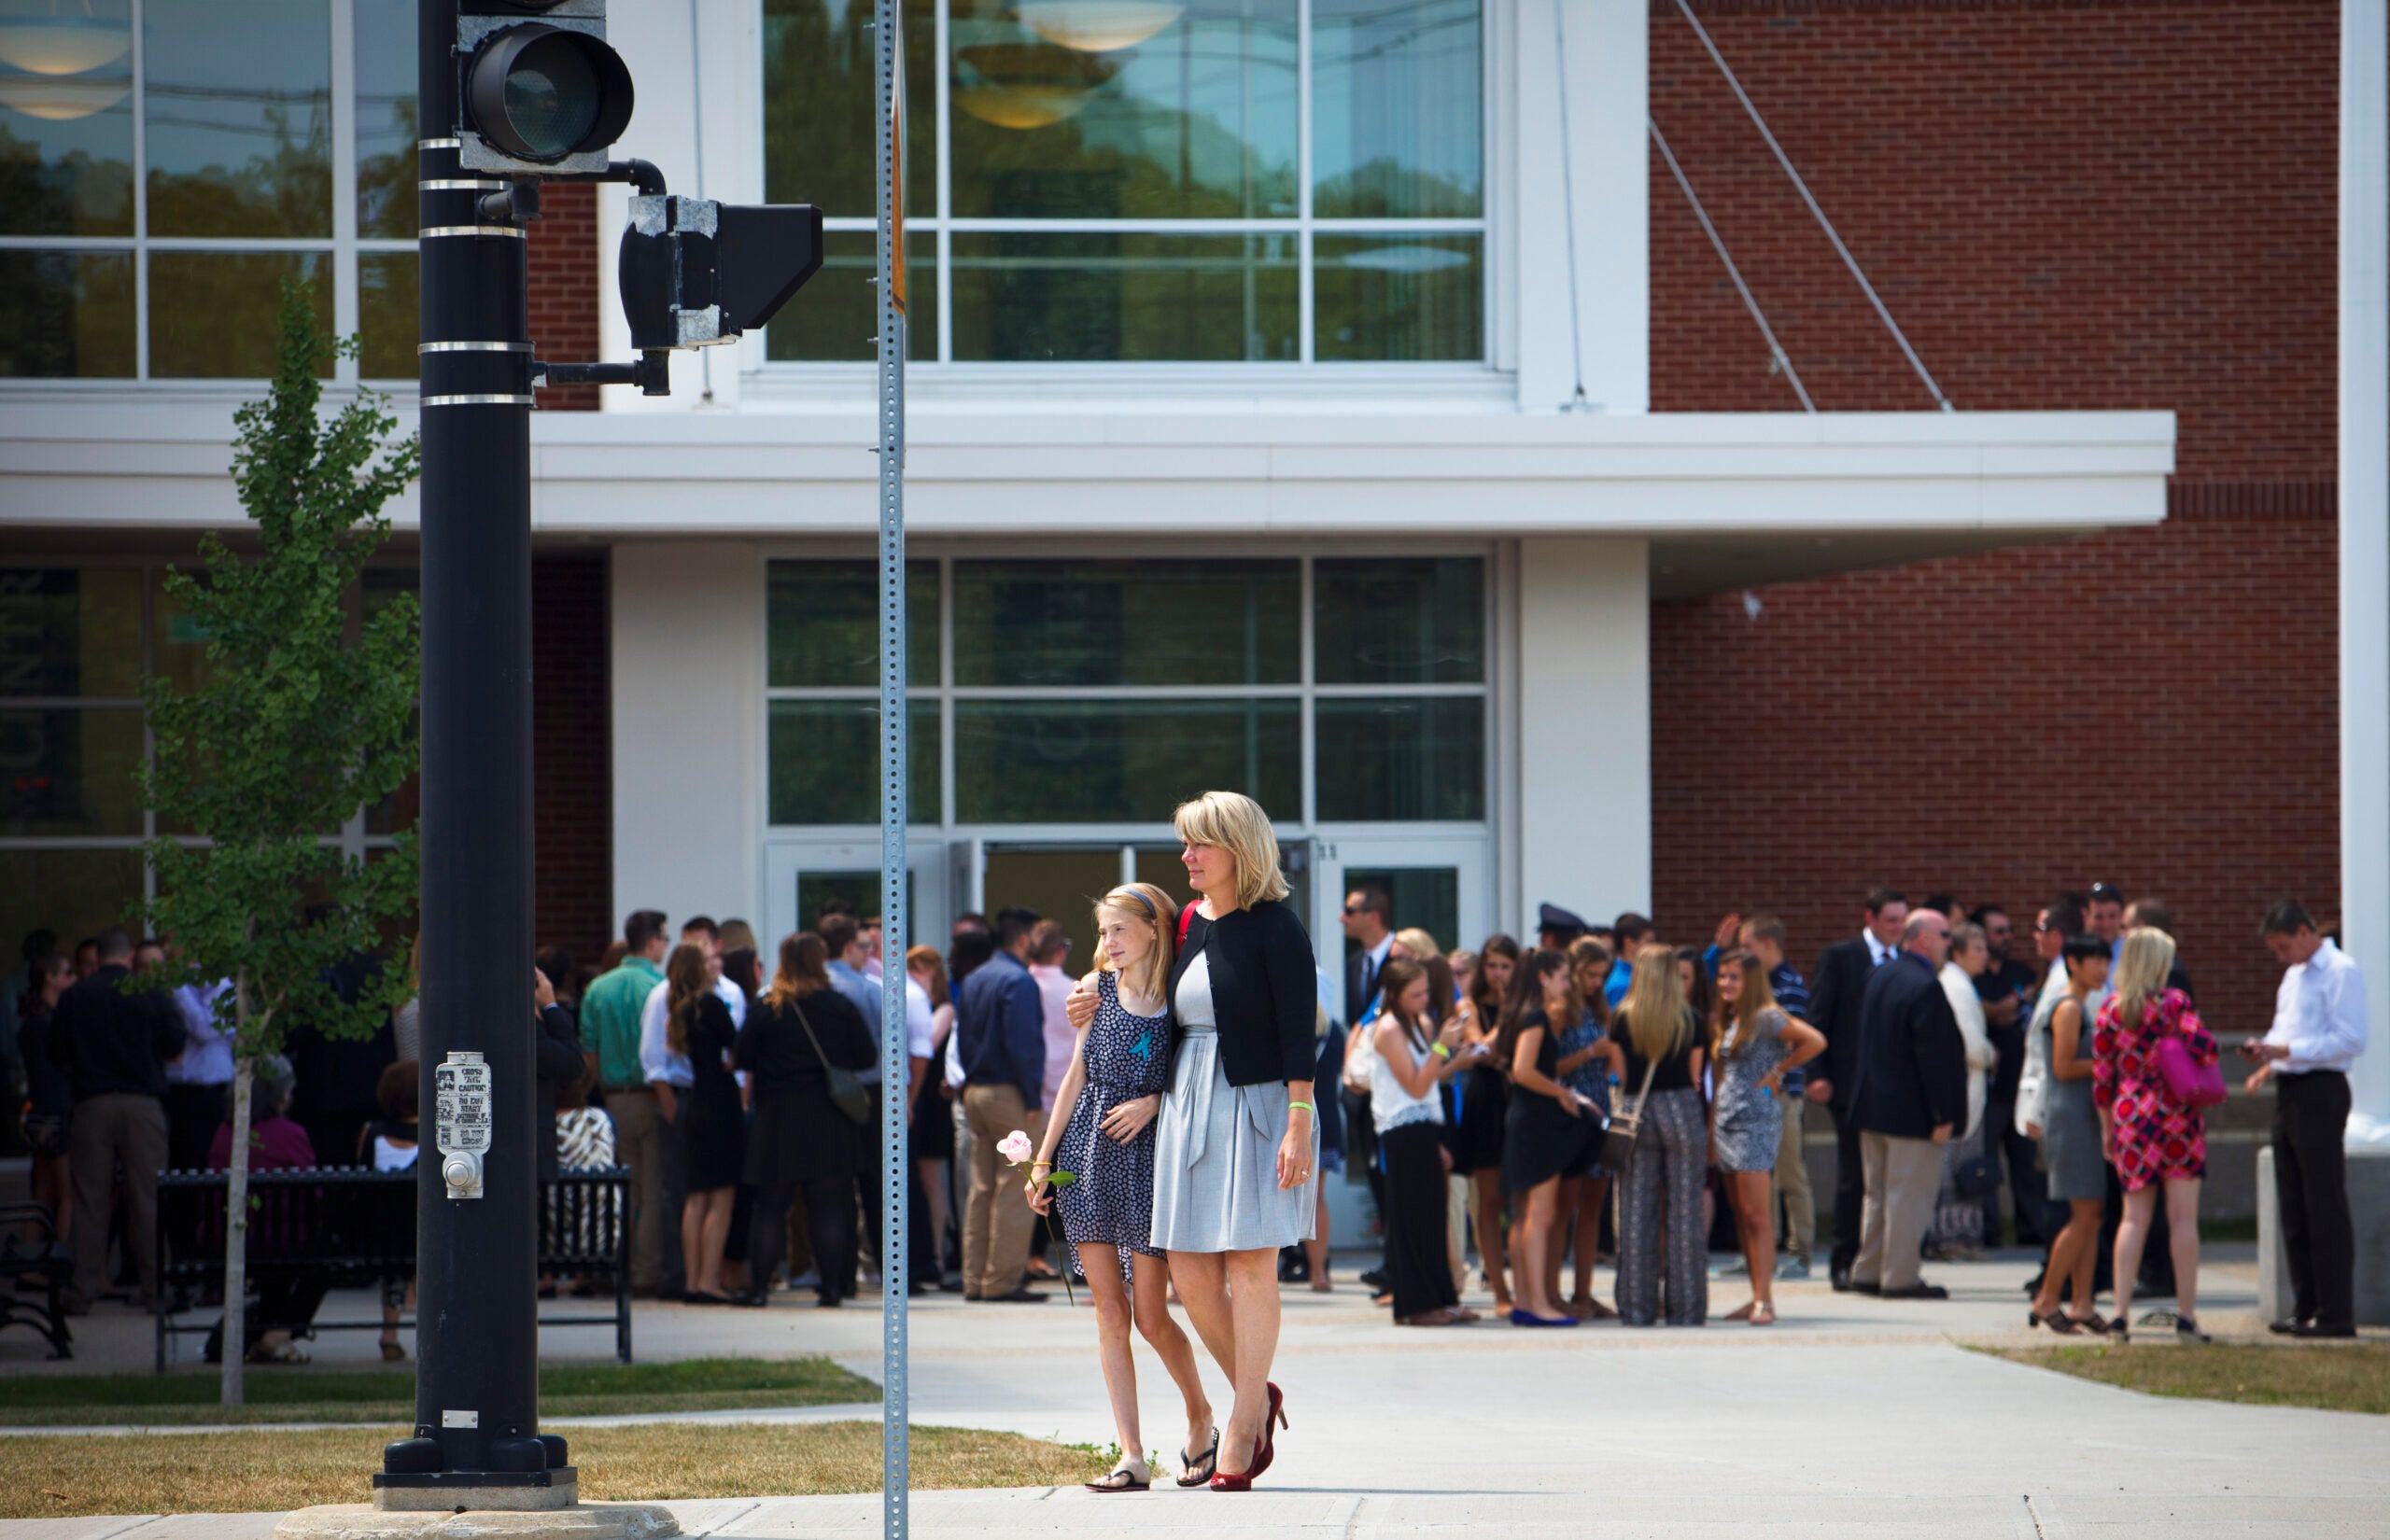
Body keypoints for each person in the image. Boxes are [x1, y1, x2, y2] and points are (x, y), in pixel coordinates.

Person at [1101, 791, 1316, 1491]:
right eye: (1185, 843)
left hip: (1256, 1103)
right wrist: (1089, 992)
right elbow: (1131, 964)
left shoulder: (1278, 928)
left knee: (1251, 1264)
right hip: (1186, 1101)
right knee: (1191, 1275)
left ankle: (1244, 1425)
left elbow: (1297, 1034)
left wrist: (1298, 1121)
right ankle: (1256, 1393)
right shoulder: (1188, 920)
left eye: (1200, 844)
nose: (1186, 857)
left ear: (1239, 850)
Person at [1025, 883, 1216, 1491]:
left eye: (1117, 931)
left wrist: (1154, 1102)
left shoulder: (1181, 1000)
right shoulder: (1094, 990)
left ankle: (1201, 1417)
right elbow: (1075, 1076)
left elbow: (1197, 1077)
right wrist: (1042, 1159)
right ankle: (1131, 1455)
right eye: (1102, 932)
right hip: (1087, 1159)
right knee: (1109, 1311)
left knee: (1152, 1316)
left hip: (1148, 1166)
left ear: (1153, 929)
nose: (1107, 943)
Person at [2243, 900, 2365, 1338]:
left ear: (2302, 932)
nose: (2281, 957)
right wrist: (2266, 1060)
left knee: (2323, 1201)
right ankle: (2305, 1303)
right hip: (2291, 1089)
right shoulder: (2293, 977)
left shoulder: (2340, 970)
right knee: (2293, 1202)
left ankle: (2336, 1311)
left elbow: (2350, 1038)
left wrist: (2289, 1052)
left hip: (2323, 1091)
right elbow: (2284, 1031)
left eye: (2282, 946)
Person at [738, 931, 877, 1309]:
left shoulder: (768, 1006)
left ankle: (759, 1289)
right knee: (829, 1206)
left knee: (770, 1207)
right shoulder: (838, 1005)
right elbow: (866, 1056)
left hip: (777, 1118)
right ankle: (832, 1289)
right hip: (827, 1118)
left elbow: (741, 1056)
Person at [49, 927, 182, 1313]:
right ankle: (154, 1288)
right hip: (143, 1104)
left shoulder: (76, 997)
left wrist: (82, 1074)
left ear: (99, 956)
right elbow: (175, 1042)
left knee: (90, 1201)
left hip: (92, 1103)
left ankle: (82, 1289)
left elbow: (57, 1049)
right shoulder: (150, 994)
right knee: (149, 1199)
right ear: (128, 958)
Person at [2093, 926, 2215, 1342]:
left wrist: (2107, 1129)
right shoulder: (2174, 1004)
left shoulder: (2111, 1010)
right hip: (2178, 1115)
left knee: (2133, 1218)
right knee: (2182, 1218)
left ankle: (2120, 1315)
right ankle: (2185, 1315)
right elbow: (2205, 1047)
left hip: (2131, 1116)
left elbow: (2101, 1080)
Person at [1847, 909, 1964, 1301]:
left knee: (1877, 1194)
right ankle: (1899, 1278)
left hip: (1873, 1109)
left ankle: (1867, 1271)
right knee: (1907, 1197)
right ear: (1925, 939)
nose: (1951, 942)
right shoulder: (1924, 985)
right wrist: (1943, 1114)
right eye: (1946, 935)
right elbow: (1936, 1059)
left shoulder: (1881, 975)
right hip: (1912, 1115)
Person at [1709, 950, 1824, 1325]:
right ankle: (1754, 1294)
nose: (1725, 983)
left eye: (1734, 978)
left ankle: (1766, 1300)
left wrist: (1778, 1072)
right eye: (1723, 976)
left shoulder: (1766, 1016)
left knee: (1758, 1214)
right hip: (1727, 1118)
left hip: (1755, 1119)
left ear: (1751, 982)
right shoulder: (1731, 1017)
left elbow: (1813, 1040)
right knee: (1742, 1214)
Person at [1365, 958, 1474, 1327]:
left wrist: (1452, 1060)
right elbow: (1413, 1083)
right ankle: (1414, 1306)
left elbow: (1426, 1083)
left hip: (1423, 1127)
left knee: (1433, 1217)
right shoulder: (1388, 1030)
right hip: (1400, 1132)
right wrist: (1443, 1049)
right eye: (1416, 994)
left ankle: (1442, 1297)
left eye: (1426, 991)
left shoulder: (1419, 1023)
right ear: (1395, 995)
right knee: (1410, 1219)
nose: (1424, 999)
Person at [1809, 886, 1909, 1291]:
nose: (1897, 929)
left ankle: (1884, 1259)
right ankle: (1843, 1259)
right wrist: (1816, 1073)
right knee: (1853, 1175)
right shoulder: (1841, 958)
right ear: (1869, 919)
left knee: (1890, 1178)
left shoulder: (1906, 961)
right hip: (1849, 1087)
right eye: (1890, 921)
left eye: (1903, 921)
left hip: (1894, 1089)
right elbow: (1819, 1015)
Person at [204, 1056, 327, 1365]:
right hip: (285, 1244)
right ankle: (276, 1335)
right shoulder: (290, 1134)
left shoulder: (224, 1135)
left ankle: (265, 1333)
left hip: (228, 1241)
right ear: (278, 1095)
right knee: (328, 1257)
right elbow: (316, 1194)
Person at [957, 906, 1049, 1303]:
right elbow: (1023, 1044)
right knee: (1016, 1188)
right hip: (1009, 1092)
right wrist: (1032, 1097)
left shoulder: (975, 976)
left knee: (981, 1189)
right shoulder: (1018, 980)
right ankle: (1002, 1282)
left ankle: (974, 1279)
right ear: (1024, 939)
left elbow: (962, 1038)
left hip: (975, 1090)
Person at [579, 910, 672, 1296]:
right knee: (652, 1190)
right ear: (651, 942)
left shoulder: (598, 988)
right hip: (652, 1097)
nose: (666, 947)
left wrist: (606, 1085)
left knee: (623, 1189)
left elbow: (589, 1051)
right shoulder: (661, 985)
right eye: (664, 939)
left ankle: (617, 1263)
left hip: (614, 1100)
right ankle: (644, 1272)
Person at [2027, 932, 2111, 1331]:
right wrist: (2110, 1063)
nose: (2102, 970)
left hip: (2082, 1118)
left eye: (2106, 961)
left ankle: (2082, 1302)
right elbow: (2062, 1067)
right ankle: (2046, 1299)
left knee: (2090, 1214)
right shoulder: (2068, 1008)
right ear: (2073, 962)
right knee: (2083, 1215)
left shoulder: (2079, 1005)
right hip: (2070, 1118)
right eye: (2094, 961)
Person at [663, 943, 741, 1305]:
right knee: (721, 1197)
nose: (717, 964)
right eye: (709, 959)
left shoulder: (678, 1009)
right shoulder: (711, 1004)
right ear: (698, 968)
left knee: (695, 1198)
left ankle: (693, 1281)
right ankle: (709, 1280)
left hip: (695, 1101)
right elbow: (736, 1047)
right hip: (719, 1102)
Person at [1740, 917, 1816, 1279]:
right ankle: (1760, 1251)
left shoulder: (1790, 986)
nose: (1743, 954)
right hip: (1754, 1095)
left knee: (1790, 1175)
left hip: (1782, 1094)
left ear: (1768, 945)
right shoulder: (1757, 986)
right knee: (1759, 1177)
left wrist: (1776, 1073)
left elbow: (1794, 1041)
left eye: (1748, 946)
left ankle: (1800, 1253)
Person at [1971, 904, 2045, 1249]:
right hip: (1988, 1088)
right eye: (1998, 931)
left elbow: (2017, 1013)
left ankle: (2031, 1229)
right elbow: (1986, 1012)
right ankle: (1988, 1230)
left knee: (2026, 1163)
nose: (2006, 937)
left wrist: (1999, 1009)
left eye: (2008, 930)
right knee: (1984, 1162)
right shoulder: (1972, 975)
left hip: (2021, 1084)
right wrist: (1999, 1008)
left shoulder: (2022, 971)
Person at [1454, 935, 1519, 1309]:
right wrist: (1508, 1019)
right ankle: (1499, 1290)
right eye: (1492, 966)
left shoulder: (1525, 1005)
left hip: (1519, 1100)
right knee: (1489, 1202)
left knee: (1522, 1202)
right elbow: (1480, 1048)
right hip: (1486, 1103)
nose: (1498, 974)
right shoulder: (1469, 1004)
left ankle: (1526, 1285)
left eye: (1505, 967)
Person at [1558, 936, 1623, 1316]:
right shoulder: (1561, 1010)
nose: (1597, 983)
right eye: (1591, 975)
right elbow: (1547, 1068)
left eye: (1602, 975)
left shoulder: (1601, 1010)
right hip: (1569, 1112)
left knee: (1592, 1207)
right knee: (1563, 1208)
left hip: (1598, 1111)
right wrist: (1588, 1053)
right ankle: (1553, 1292)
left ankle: (1583, 1293)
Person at [1928, 922, 1998, 1259]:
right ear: (1958, 953)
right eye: (1978, 949)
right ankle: (1953, 1238)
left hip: (1965, 1087)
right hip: (1963, 1088)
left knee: (1961, 1164)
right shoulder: (1956, 986)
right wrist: (1990, 1054)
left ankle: (1956, 1237)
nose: (1985, 955)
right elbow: (1969, 1043)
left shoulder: (1959, 983)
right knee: (1959, 1166)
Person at [906, 945, 960, 1292]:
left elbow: (927, 1040)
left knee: (930, 1178)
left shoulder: (941, 1008)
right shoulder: (917, 1002)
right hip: (919, 1097)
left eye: (919, 970)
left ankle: (937, 1253)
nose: (913, 977)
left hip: (931, 1102)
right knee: (918, 1178)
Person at [358, 1060, 419, 1362]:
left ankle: (390, 1331)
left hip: (383, 1236)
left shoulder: (372, 1133)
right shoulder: (435, 1138)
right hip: (423, 1235)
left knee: (398, 1256)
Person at [16, 951, 76, 1245]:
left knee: (42, 1193)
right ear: (50, 979)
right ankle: (60, 1265)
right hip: (56, 1113)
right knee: (67, 1195)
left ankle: (31, 1263)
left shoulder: (33, 1021)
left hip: (40, 1112)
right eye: (67, 973)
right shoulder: (47, 1022)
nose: (73, 979)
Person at [1605, 913, 1653, 1006]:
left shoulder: (1629, 977)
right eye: (1649, 941)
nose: (1653, 947)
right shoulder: (1622, 985)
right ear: (1629, 942)